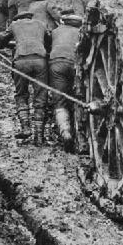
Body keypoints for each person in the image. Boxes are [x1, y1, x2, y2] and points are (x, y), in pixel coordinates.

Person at [0, 11, 51, 144]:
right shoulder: (41, 24)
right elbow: (49, 41)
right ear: (30, 17)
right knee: (41, 95)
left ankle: (26, 128)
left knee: (21, 94)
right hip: (40, 61)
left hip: (21, 61)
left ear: (19, 18)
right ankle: (39, 135)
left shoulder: (15, 24)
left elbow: (2, 42)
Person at [48, 14, 82, 151]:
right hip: (75, 65)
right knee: (78, 98)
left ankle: (66, 133)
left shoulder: (56, 31)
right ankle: (81, 136)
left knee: (59, 101)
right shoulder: (81, 33)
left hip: (56, 64)